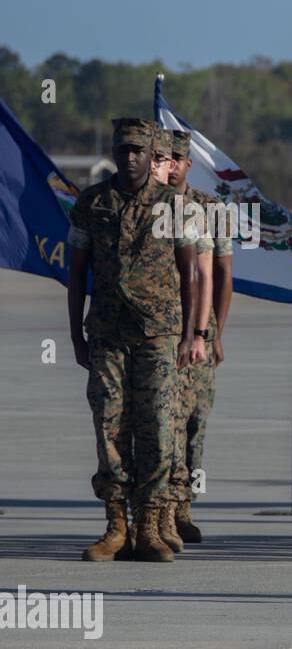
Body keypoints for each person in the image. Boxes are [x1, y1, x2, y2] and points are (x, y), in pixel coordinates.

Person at [68, 118, 200, 562]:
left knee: (159, 430)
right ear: (115, 150)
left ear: (151, 155)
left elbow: (190, 272)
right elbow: (76, 274)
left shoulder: (172, 205)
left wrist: (189, 335)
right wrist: (75, 336)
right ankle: (116, 525)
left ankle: (151, 525)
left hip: (158, 334)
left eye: (138, 151)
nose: (129, 157)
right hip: (106, 332)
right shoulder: (92, 203)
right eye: (122, 149)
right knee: (109, 428)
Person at [165, 129, 230, 546]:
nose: (169, 167)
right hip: (158, 329)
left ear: (190, 164)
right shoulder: (150, 208)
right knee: (158, 425)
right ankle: (161, 508)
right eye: (163, 159)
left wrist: (216, 331)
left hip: (199, 333)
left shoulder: (211, 208)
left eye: (177, 159)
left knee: (193, 424)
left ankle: (185, 507)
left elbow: (223, 274)